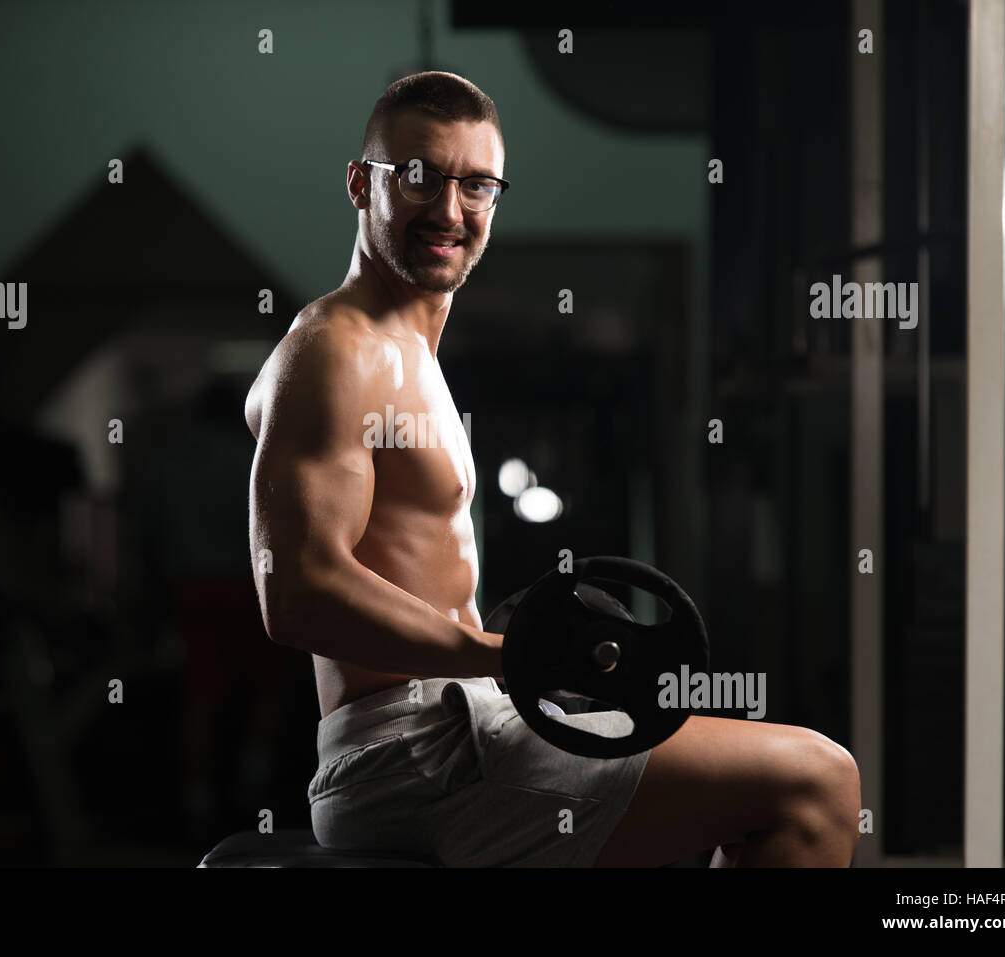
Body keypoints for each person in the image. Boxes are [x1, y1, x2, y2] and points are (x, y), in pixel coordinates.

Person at [244, 71, 861, 866]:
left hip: (461, 727)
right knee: (818, 781)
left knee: (720, 818)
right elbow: (297, 592)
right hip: (413, 755)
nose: (449, 209)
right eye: (420, 176)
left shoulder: (410, 356)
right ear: (363, 183)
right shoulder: (338, 348)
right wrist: (510, 657)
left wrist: (510, 661)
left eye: (477, 185)